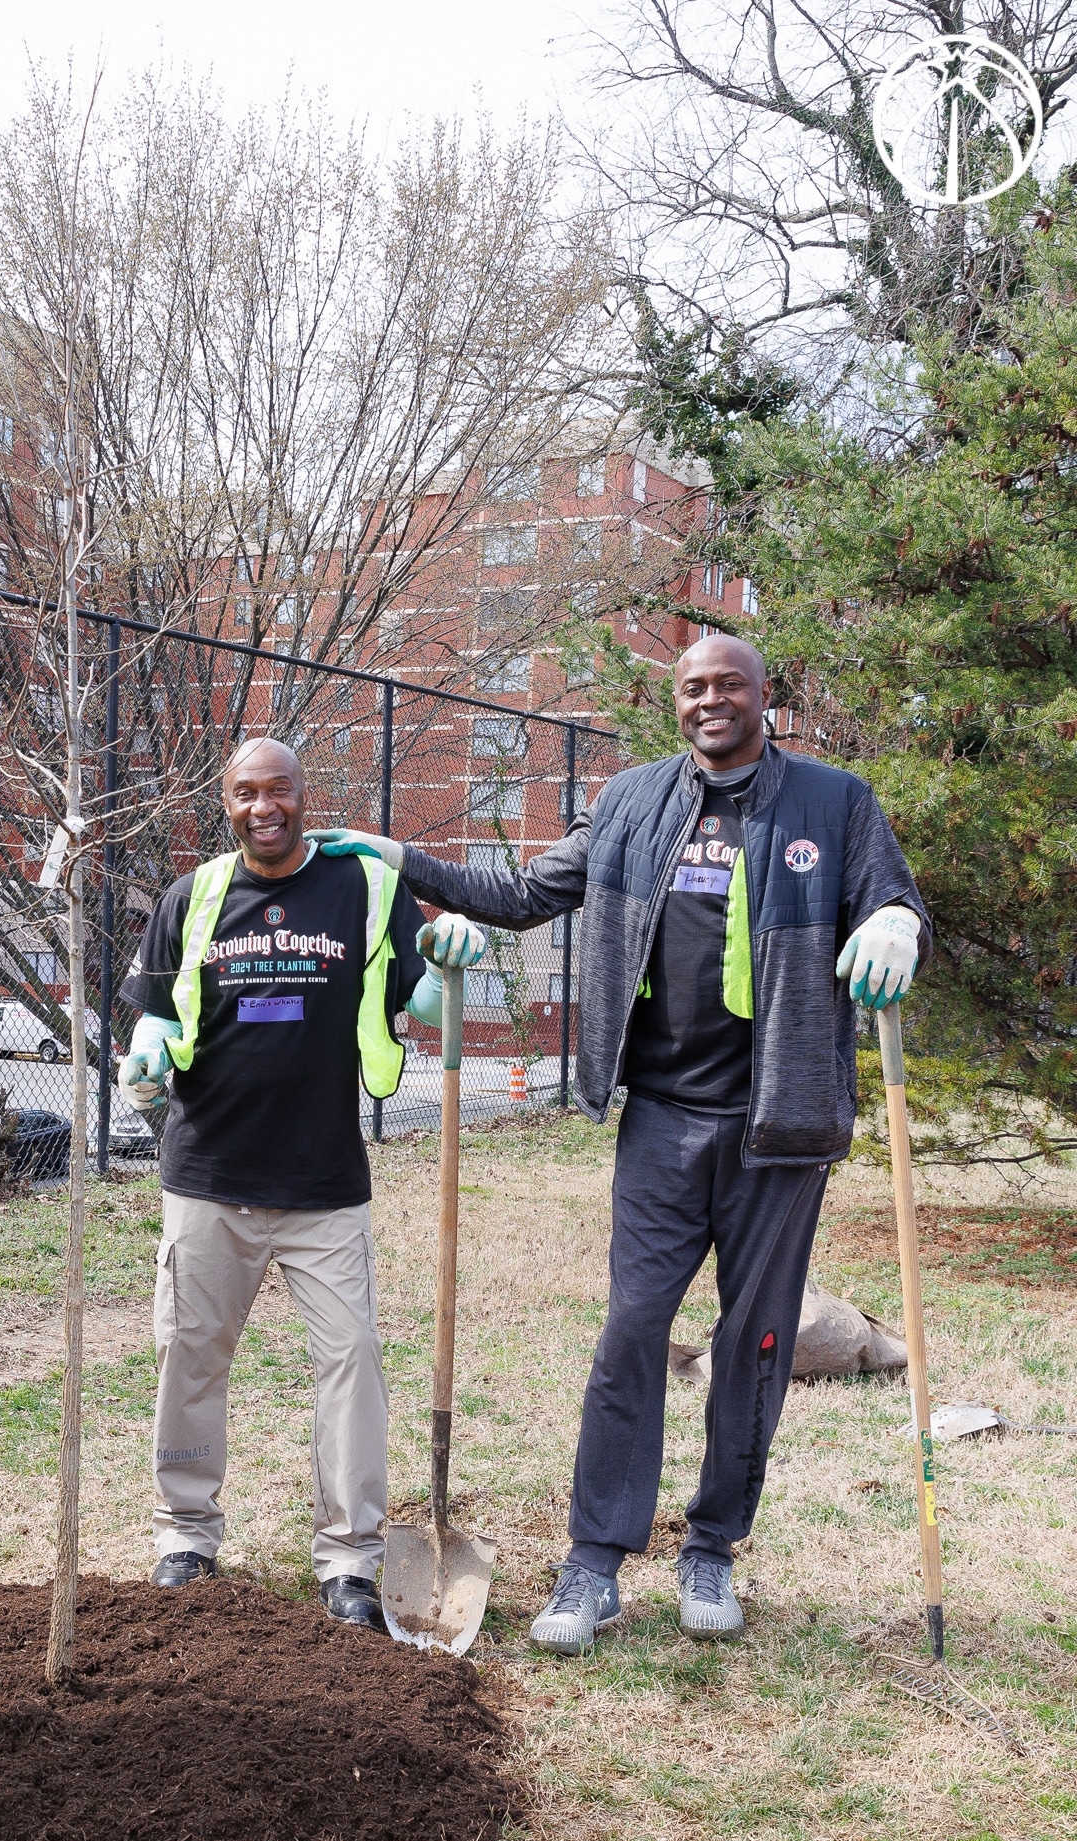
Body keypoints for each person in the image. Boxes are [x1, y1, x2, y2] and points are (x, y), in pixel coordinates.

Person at [314, 633, 929, 1653]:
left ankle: (711, 1548)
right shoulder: (631, 802)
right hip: (661, 1116)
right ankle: (592, 1562)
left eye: (727, 683)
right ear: (673, 702)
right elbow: (521, 895)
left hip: (782, 1123)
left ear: (761, 694)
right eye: (692, 687)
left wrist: (895, 924)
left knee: (754, 1340)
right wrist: (399, 861)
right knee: (629, 1333)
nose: (709, 700)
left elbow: (891, 899)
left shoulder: (834, 801)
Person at [115, 737, 487, 1627]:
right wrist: (144, 1061)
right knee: (191, 1358)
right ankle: (185, 1536)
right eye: (245, 793)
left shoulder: (363, 889)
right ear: (227, 800)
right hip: (208, 1176)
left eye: (278, 790)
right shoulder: (193, 896)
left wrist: (448, 964)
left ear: (303, 796)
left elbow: (427, 1006)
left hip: (324, 1184)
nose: (263, 808)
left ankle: (352, 1561)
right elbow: (157, 1018)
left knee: (351, 1362)